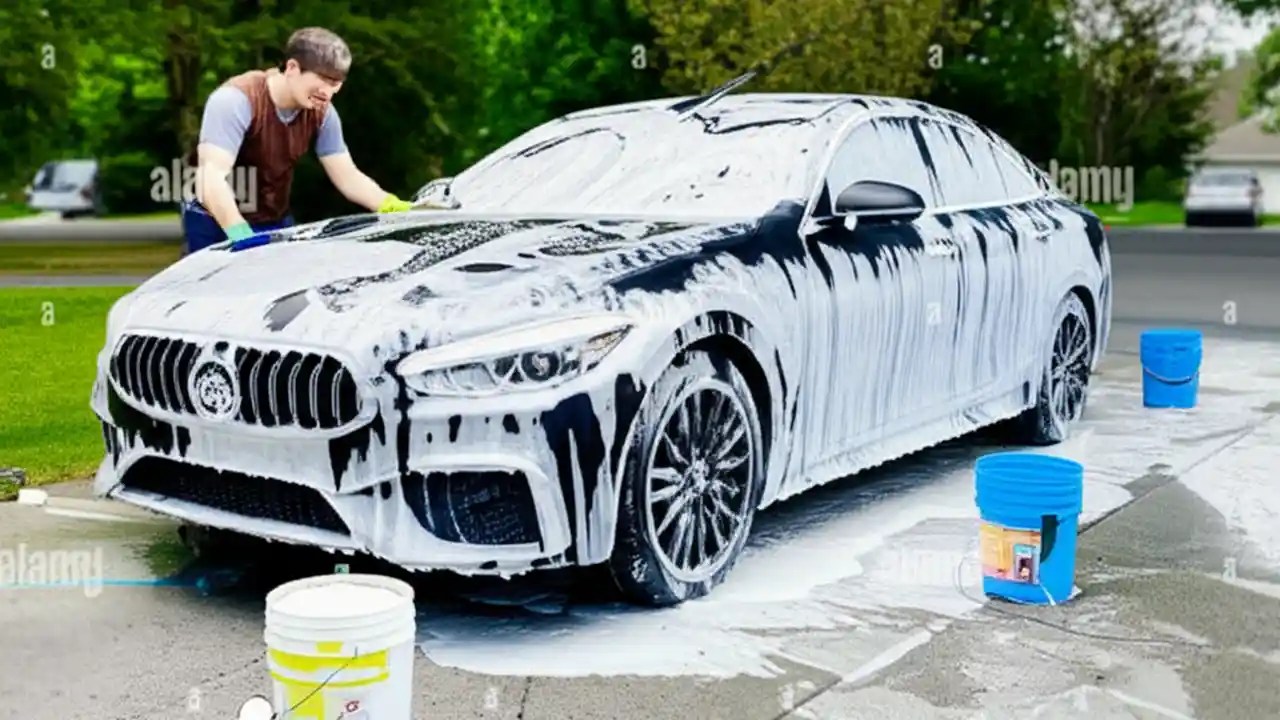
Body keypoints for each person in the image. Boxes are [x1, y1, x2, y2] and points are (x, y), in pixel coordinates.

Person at [181, 27, 414, 254]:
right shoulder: (235, 99)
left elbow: (348, 177)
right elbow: (210, 178)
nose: (327, 92)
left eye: (335, 83)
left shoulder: (323, 113)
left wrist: (391, 205)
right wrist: (240, 233)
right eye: (322, 78)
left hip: (273, 216)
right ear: (292, 67)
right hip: (211, 218)